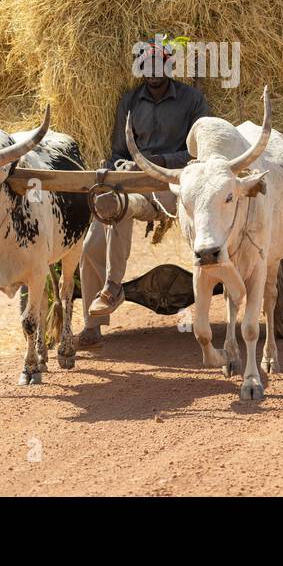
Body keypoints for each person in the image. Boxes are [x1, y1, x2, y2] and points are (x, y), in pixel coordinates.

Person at [78, 39, 210, 344]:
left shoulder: (192, 100)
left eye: (159, 65)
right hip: (131, 185)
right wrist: (119, 166)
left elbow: (201, 153)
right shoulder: (130, 101)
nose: (152, 73)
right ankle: (93, 323)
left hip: (173, 185)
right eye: (146, 67)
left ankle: (114, 285)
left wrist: (157, 162)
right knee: (91, 246)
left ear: (169, 66)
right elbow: (116, 152)